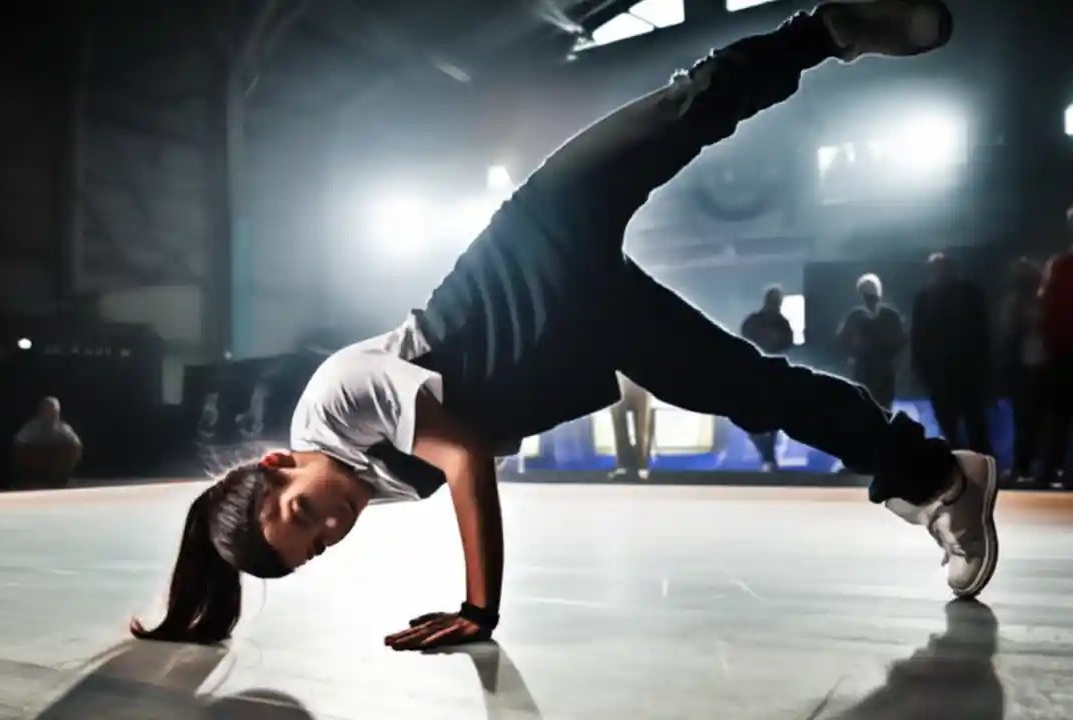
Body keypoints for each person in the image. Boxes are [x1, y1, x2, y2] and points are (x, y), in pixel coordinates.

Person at [133, 1, 999, 652]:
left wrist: (479, 609)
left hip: (534, 242)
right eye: (317, 545)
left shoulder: (332, 406)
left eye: (302, 512)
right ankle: (939, 479)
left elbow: (467, 457)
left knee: (682, 111)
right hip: (591, 329)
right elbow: (482, 431)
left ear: (280, 464)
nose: (332, 526)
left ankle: (830, 28)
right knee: (759, 390)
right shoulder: (368, 482)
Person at [911, 253, 992, 453]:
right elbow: (918, 334)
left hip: (959, 368)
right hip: (947, 369)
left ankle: (972, 459)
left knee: (969, 419)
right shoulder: (965, 293)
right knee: (958, 420)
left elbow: (982, 331)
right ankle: (968, 459)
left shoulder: (932, 296)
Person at [999, 258, 1047, 483]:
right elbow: (1008, 336)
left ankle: (1038, 465)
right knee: (1024, 419)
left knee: (1040, 419)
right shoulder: (1014, 304)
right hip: (1024, 367)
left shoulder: (1047, 301)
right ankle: (1024, 464)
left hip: (1045, 366)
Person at [740, 285, 795, 471]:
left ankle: (768, 457)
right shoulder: (778, 322)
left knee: (763, 419)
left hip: (761, 374)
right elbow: (787, 344)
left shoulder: (758, 321)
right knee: (764, 419)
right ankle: (769, 457)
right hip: (765, 374)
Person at [838, 273, 905, 410]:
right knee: (865, 404)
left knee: (885, 405)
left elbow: (902, 340)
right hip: (863, 368)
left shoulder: (890, 315)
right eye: (865, 291)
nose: (869, 295)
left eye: (872, 290)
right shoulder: (854, 316)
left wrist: (900, 361)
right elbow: (842, 339)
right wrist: (852, 350)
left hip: (885, 369)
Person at [1038, 243, 1073, 488]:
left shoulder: (1060, 265)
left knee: (1059, 417)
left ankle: (1050, 470)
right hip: (1062, 351)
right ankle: (1053, 469)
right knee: (1058, 416)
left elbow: (1047, 308)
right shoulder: (1061, 265)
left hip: (1061, 352)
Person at [12, 396, 83, 488]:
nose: (51, 415)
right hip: (34, 469)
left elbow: (76, 444)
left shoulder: (63, 428)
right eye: (47, 411)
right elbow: (18, 443)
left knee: (71, 448)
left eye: (54, 412)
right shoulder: (31, 427)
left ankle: (59, 479)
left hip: (57, 469)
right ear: (41, 412)